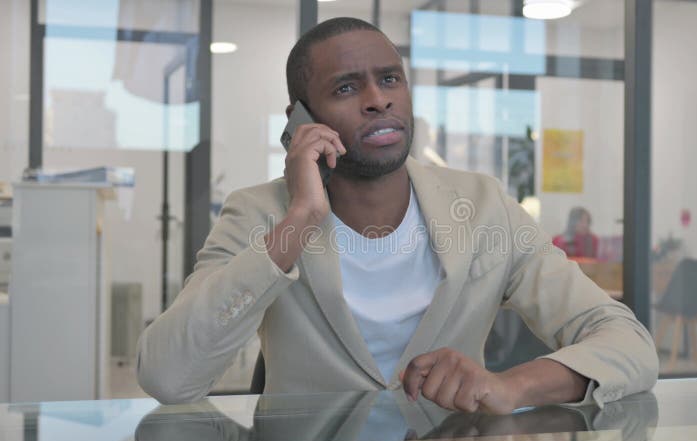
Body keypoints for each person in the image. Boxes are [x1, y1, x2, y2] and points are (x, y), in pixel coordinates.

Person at [136, 17, 657, 413]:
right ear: (301, 117)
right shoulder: (258, 214)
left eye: (390, 80)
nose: (377, 100)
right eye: (346, 88)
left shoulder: (482, 207)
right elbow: (167, 375)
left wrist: (510, 385)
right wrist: (300, 218)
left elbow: (628, 343)